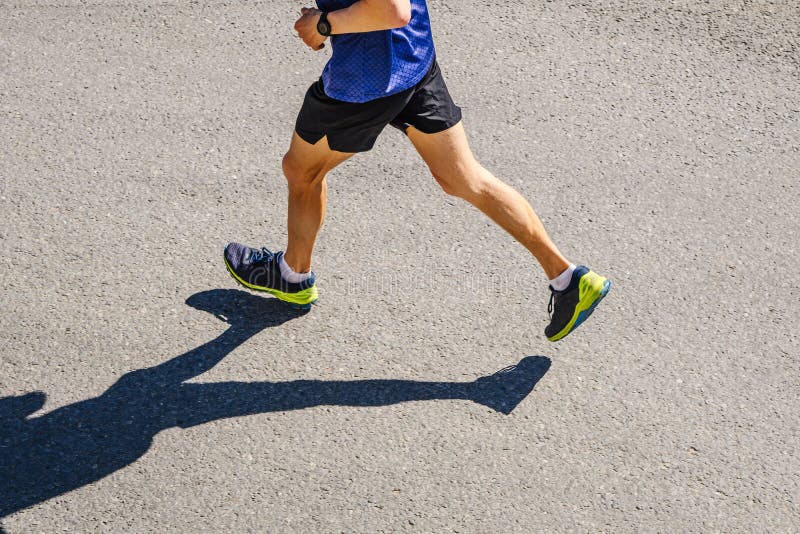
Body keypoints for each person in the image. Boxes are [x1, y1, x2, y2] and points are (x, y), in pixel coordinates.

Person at [224, 0, 611, 341]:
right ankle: (567, 278)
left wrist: (323, 23)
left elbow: (390, 9)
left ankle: (292, 276)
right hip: (412, 55)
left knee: (301, 172)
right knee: (462, 178)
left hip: (366, 80)